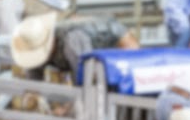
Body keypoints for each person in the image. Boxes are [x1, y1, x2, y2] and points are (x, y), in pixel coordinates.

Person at [10, 12, 139, 83]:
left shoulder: (72, 41)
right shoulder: (34, 42)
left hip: (118, 41)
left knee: (124, 81)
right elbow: (34, 81)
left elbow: (87, 79)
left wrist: (69, 108)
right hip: (90, 50)